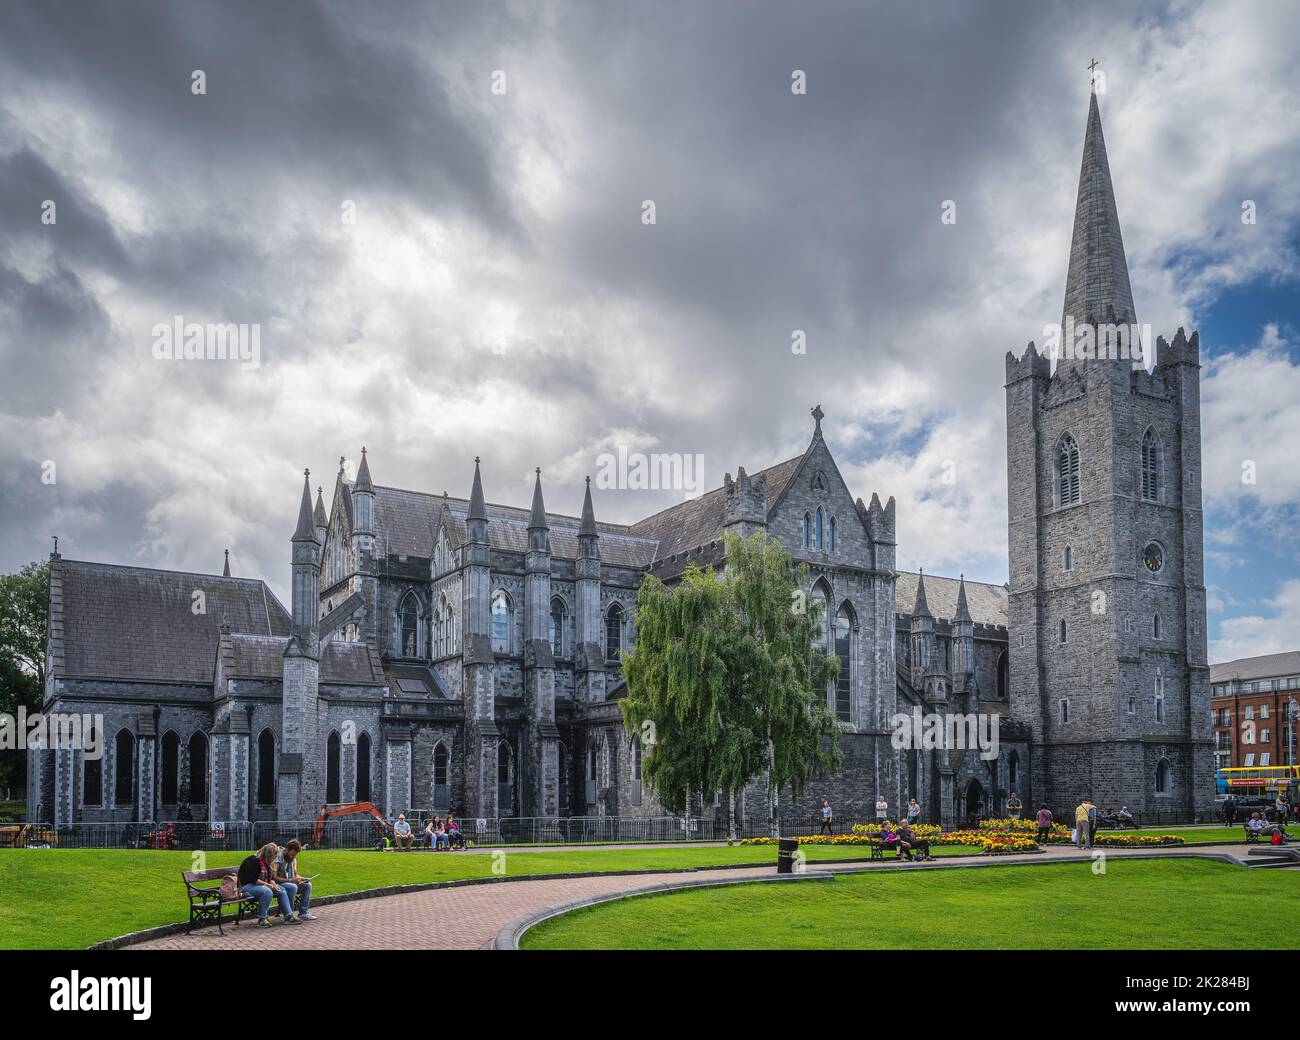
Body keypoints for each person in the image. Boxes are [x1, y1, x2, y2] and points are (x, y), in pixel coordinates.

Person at [237, 842, 298, 927]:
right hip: (247, 886)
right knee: (267, 891)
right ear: (269, 855)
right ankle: (262, 919)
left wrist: (274, 885)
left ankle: (288, 916)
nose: (275, 858)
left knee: (281, 890)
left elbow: (270, 879)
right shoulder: (253, 861)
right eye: (274, 856)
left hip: (259, 886)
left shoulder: (267, 863)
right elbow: (252, 879)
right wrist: (267, 884)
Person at [274, 839, 316, 920]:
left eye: (295, 855)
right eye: (292, 854)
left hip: (289, 881)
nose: (293, 857)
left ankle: (303, 913)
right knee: (292, 887)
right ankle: (289, 915)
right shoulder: (278, 858)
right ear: (286, 850)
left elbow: (296, 875)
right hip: (278, 883)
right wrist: (291, 880)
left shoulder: (293, 859)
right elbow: (274, 878)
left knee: (307, 885)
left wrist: (303, 879)